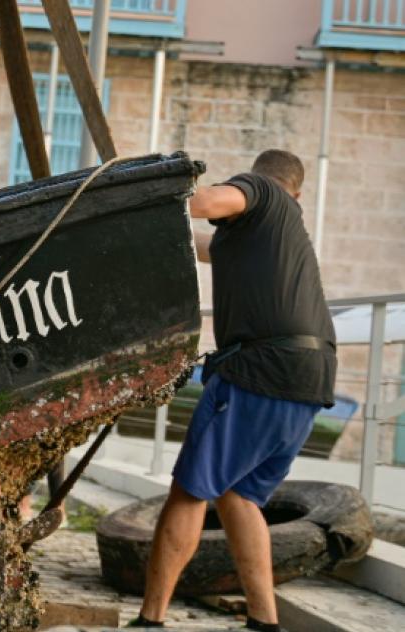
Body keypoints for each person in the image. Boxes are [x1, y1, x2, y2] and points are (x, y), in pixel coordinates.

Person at [130, 150, 336, 631]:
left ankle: (150, 621)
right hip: (312, 376)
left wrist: (137, 201)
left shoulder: (261, 193)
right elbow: (203, 244)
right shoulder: (275, 236)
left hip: (262, 368)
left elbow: (203, 202)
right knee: (239, 497)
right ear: (300, 193)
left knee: (190, 491)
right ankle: (264, 622)